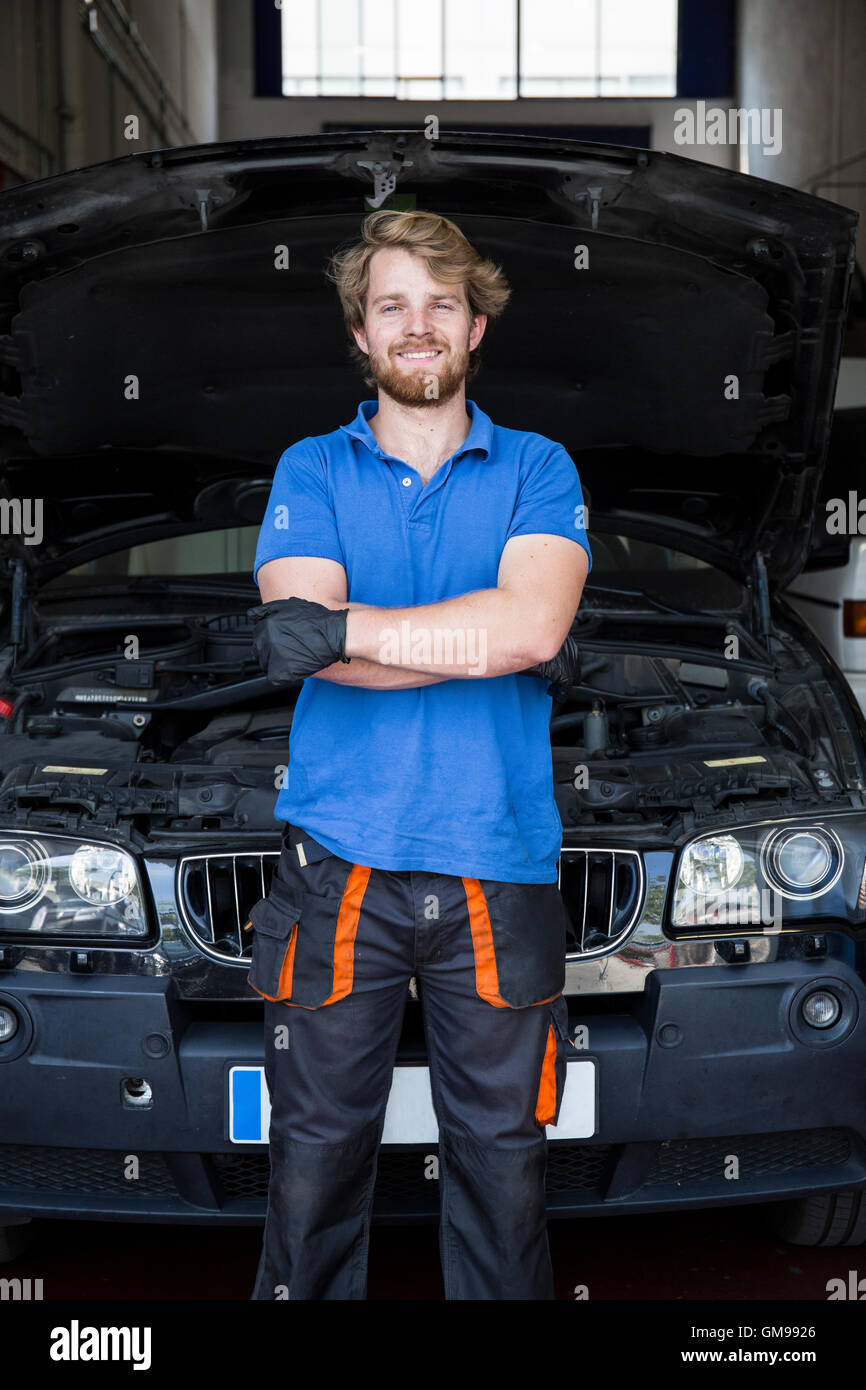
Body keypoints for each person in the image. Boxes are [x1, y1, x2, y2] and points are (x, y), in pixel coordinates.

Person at [247, 208, 592, 1300]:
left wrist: (356, 630)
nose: (417, 325)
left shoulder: (537, 466)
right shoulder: (311, 466)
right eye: (391, 304)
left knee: (501, 1162)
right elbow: (303, 641)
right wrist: (474, 634)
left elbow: (533, 633)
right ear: (359, 332)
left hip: (496, 864)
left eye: (441, 303)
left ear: (475, 325)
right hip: (338, 862)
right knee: (312, 1159)